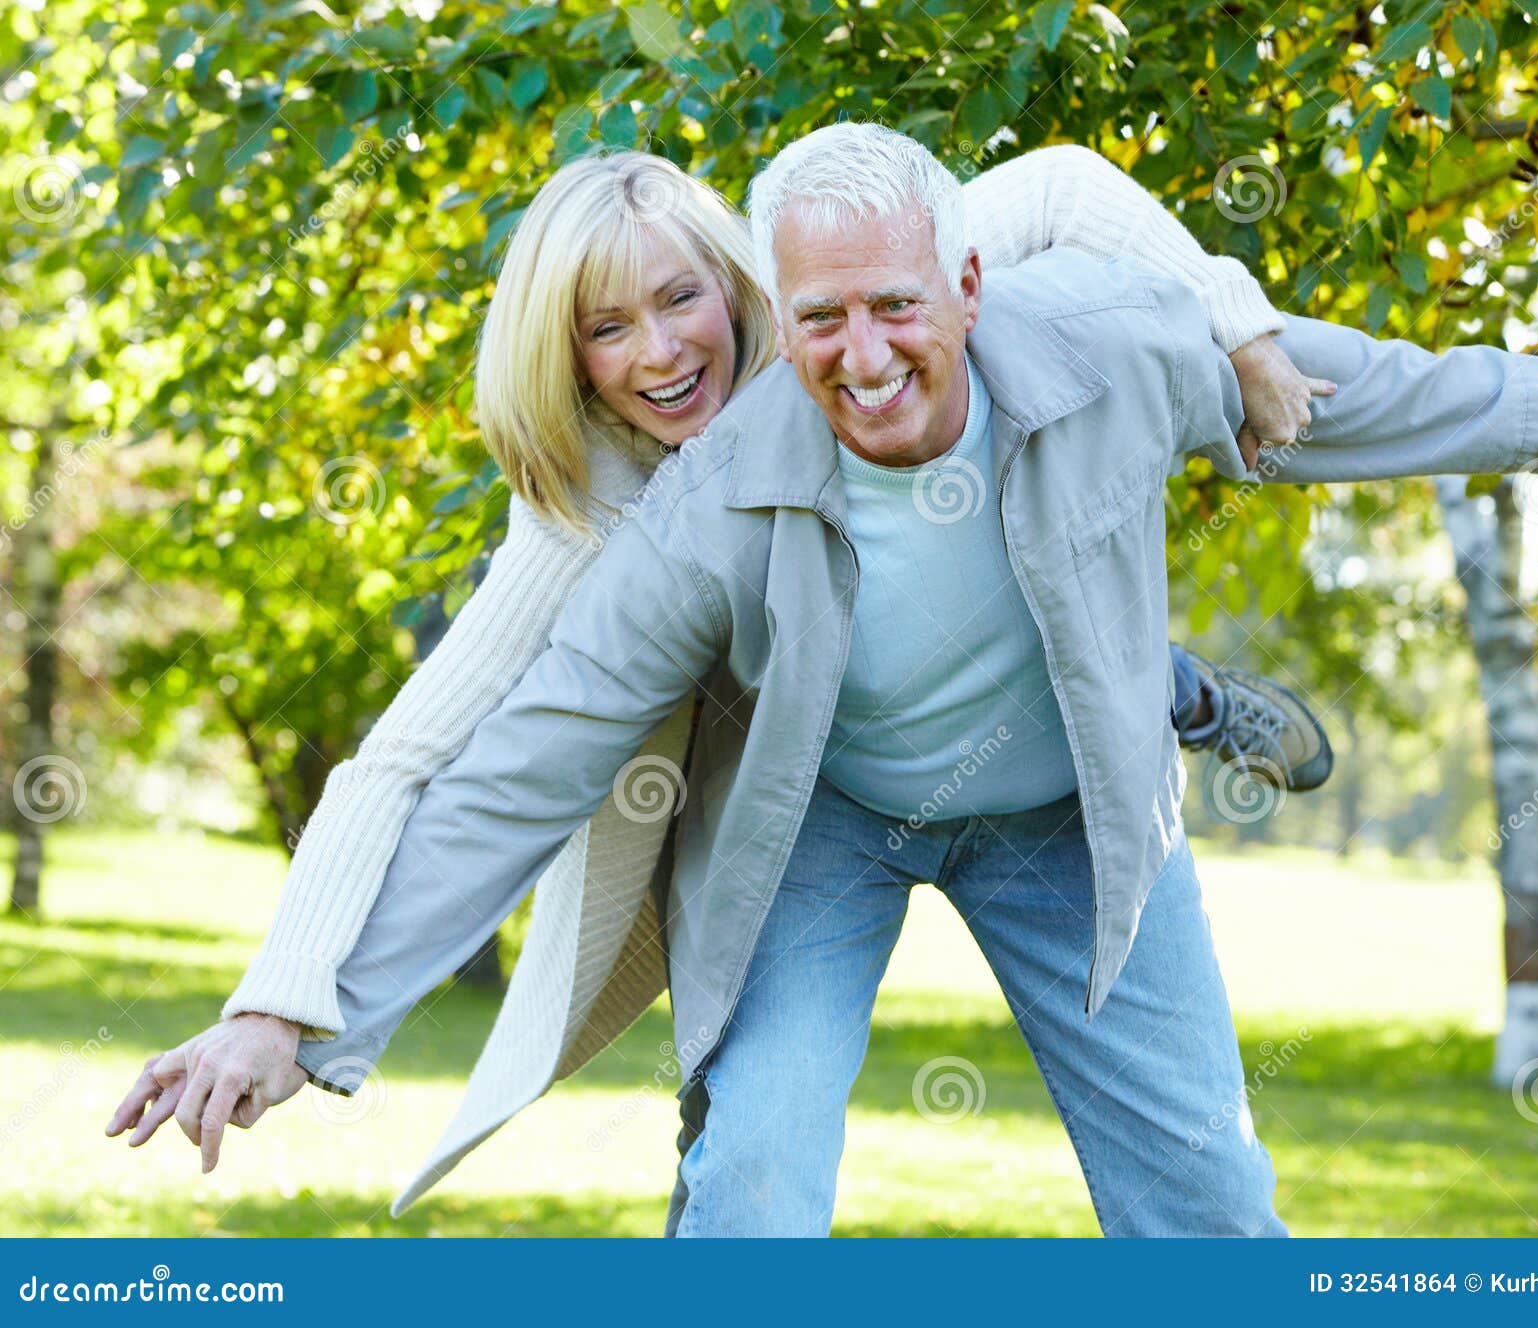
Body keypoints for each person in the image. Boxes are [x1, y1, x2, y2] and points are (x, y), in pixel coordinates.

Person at [106, 134, 1381, 1226]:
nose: (660, 353)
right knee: (745, 1140)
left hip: (1024, 682)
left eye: (678, 301)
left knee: (1071, 652)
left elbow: (1055, 186)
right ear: (569, 357)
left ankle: (1187, 694)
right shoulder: (585, 523)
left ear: (738, 286)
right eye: (607, 328)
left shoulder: (833, 313)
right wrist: (277, 1005)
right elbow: (415, 763)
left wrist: (1236, 315)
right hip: (813, 772)